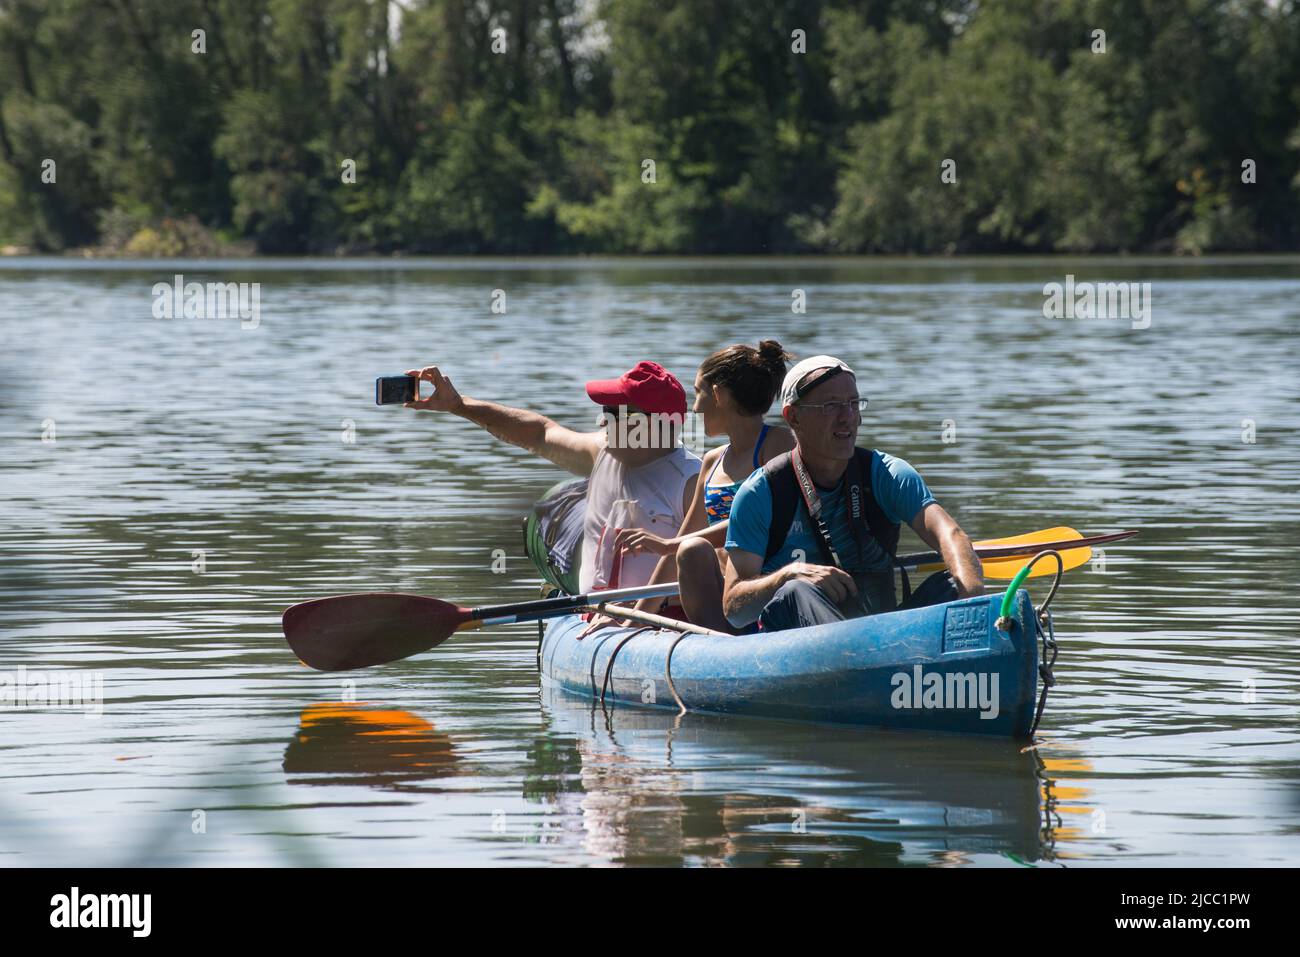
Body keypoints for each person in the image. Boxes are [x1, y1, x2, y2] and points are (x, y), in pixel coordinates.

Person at [722, 356, 984, 632]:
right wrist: (788, 574)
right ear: (794, 417)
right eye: (831, 405)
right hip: (799, 644)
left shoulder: (887, 474)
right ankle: (858, 658)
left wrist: (973, 599)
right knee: (796, 590)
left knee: (955, 582)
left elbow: (951, 536)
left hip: (883, 633)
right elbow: (733, 609)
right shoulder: (761, 492)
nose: (847, 417)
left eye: (853, 403)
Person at [403, 360, 701, 594]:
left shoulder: (691, 481)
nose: (601, 420)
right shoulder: (605, 452)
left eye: (612, 412)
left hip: (659, 621)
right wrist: (458, 405)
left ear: (645, 426)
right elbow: (540, 433)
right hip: (601, 613)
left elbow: (716, 568)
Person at [611, 341, 796, 632]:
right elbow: (679, 550)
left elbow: (765, 523)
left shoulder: (778, 445)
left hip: (769, 596)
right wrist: (632, 621)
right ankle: (717, 645)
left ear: (719, 395)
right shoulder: (711, 462)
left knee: (689, 547)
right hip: (723, 601)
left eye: (698, 392)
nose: (695, 406)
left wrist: (671, 544)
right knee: (691, 551)